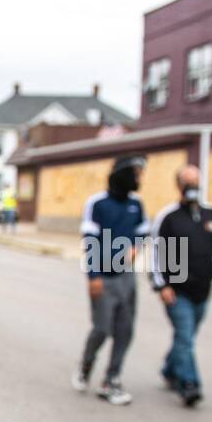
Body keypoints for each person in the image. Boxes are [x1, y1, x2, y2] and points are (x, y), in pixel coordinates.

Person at [150, 165, 212, 407]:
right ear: (179, 185)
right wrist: (161, 284)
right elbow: (157, 253)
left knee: (186, 338)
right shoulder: (169, 217)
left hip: (203, 290)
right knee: (185, 337)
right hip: (178, 291)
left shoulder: (211, 215)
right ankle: (189, 385)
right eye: (187, 181)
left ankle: (169, 369)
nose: (192, 186)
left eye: (195, 181)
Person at [73, 154, 149, 405]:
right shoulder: (97, 203)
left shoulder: (136, 204)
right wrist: (93, 276)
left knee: (125, 330)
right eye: (136, 174)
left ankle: (111, 379)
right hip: (102, 276)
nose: (139, 179)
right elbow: (90, 242)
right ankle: (86, 364)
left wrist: (136, 248)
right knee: (102, 329)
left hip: (126, 275)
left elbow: (142, 232)